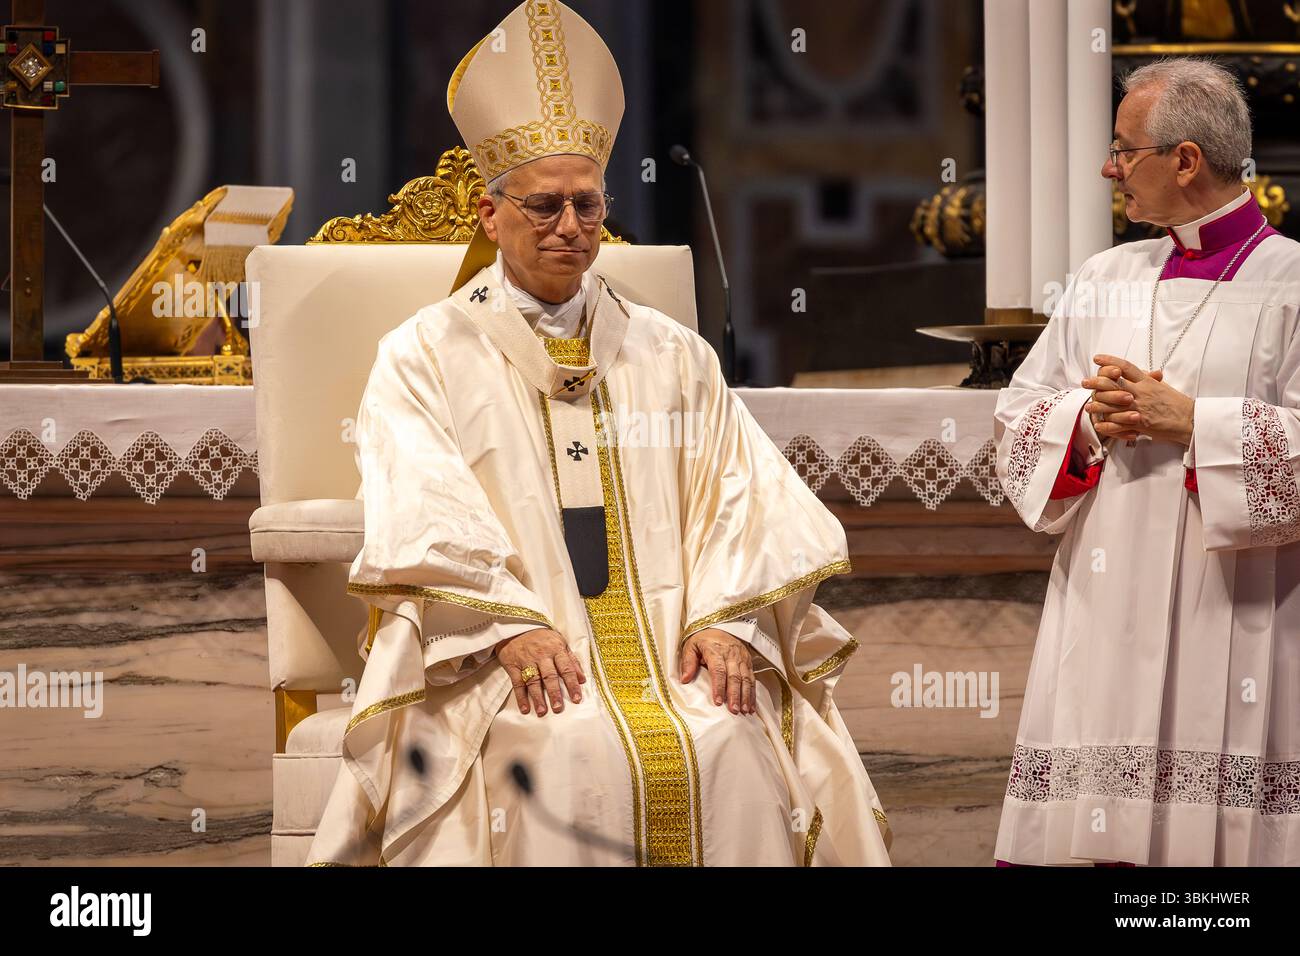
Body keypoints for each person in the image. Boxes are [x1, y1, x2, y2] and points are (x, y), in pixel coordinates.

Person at [306, 0, 891, 867]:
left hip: (676, 650)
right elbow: (420, 503)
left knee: (727, 741)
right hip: (504, 655)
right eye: (543, 207)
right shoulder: (425, 352)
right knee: (569, 750)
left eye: (588, 204)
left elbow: (747, 495)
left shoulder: (671, 352)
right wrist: (506, 626)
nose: (572, 228)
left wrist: (729, 621)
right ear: (487, 212)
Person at [994, 57, 1300, 866]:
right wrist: (1086, 423)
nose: (1109, 168)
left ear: (1186, 159)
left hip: (1239, 612)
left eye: (1124, 150)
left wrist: (1198, 423)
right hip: (1105, 604)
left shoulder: (1295, 283)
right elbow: (1017, 421)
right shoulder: (1102, 279)